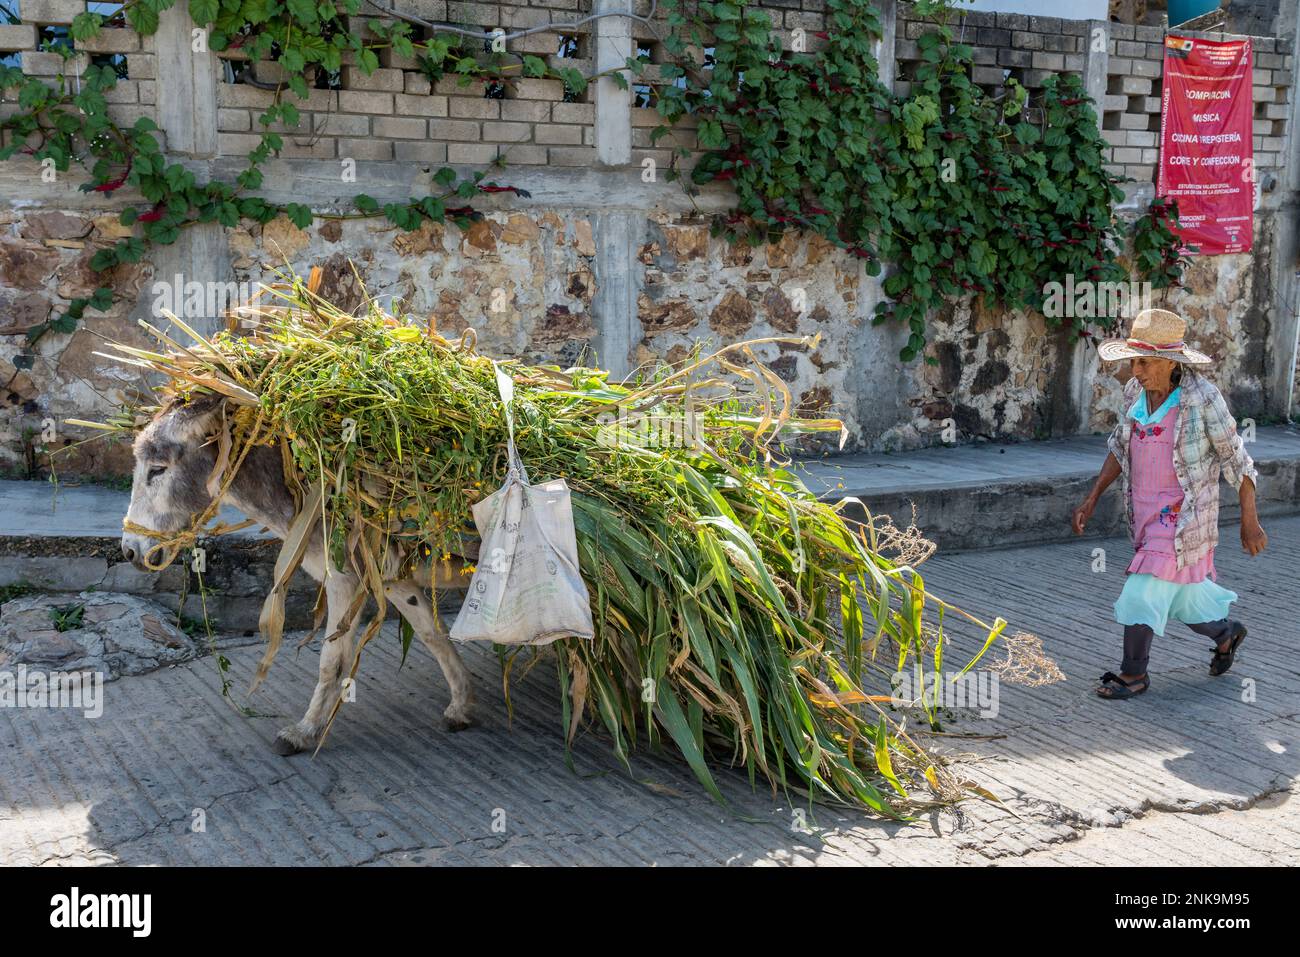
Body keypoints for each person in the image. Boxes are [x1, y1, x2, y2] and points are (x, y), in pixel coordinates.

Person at [1071, 308, 1267, 699]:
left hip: (1183, 516)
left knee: (1142, 590)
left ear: (1169, 362)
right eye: (1133, 361)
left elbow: (1237, 460)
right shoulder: (1134, 394)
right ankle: (1226, 634)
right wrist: (1092, 498)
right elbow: (1119, 447)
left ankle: (1134, 675)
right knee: (1184, 601)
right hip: (1143, 513)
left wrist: (1250, 520)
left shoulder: (1202, 399)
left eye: (1143, 362)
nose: (1135, 371)